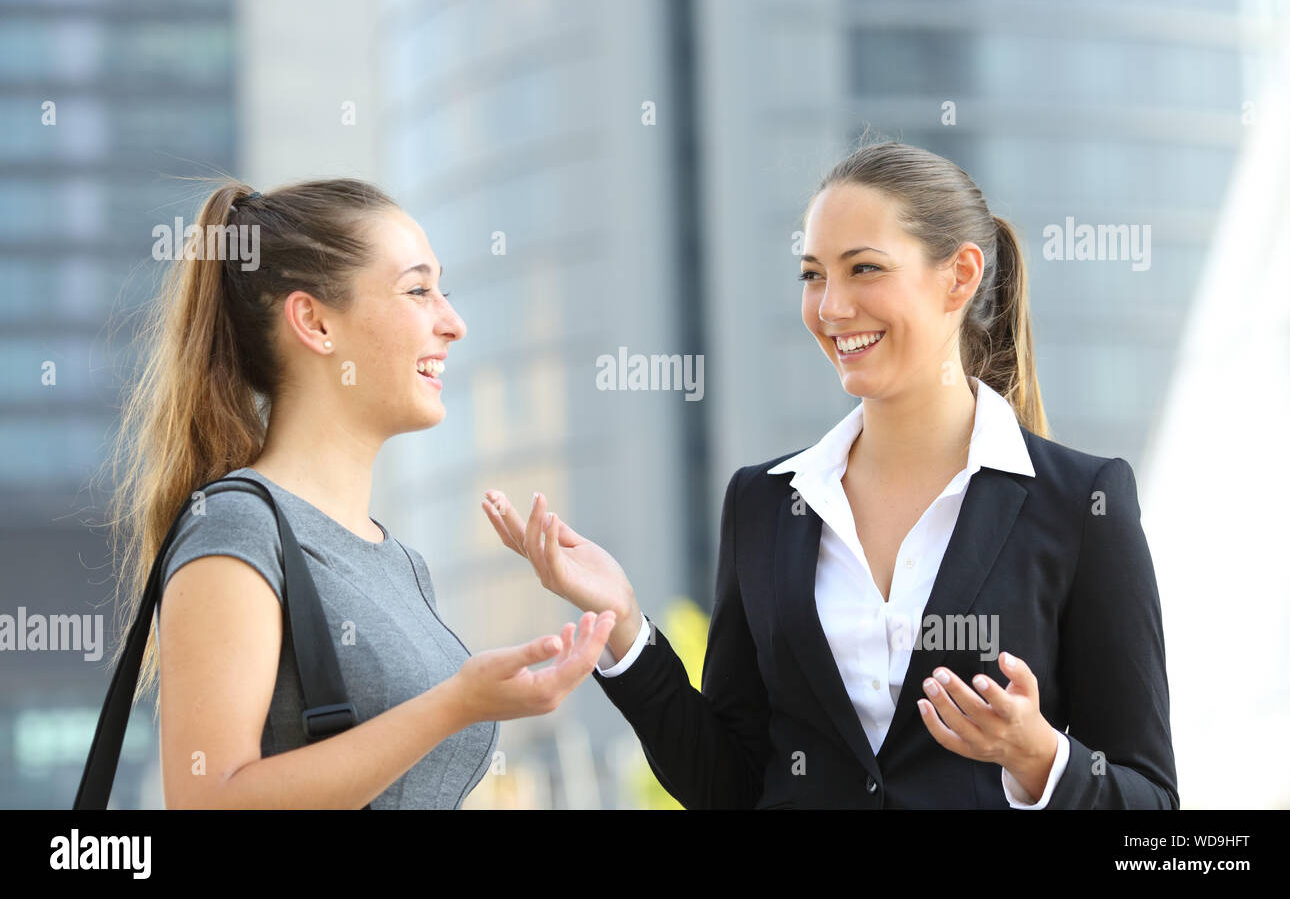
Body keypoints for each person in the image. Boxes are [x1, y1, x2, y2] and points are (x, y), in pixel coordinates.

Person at [480, 141, 1178, 809]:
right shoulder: (763, 504)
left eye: (863, 269)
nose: (832, 307)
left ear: (960, 276)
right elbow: (731, 785)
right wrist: (627, 629)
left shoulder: (1080, 503)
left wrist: (1039, 759)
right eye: (813, 274)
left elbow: (1153, 805)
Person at [102, 178, 615, 809]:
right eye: (418, 290)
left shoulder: (401, 564)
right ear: (315, 321)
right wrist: (456, 704)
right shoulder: (235, 527)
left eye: (442, 292)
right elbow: (209, 801)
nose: (453, 324)